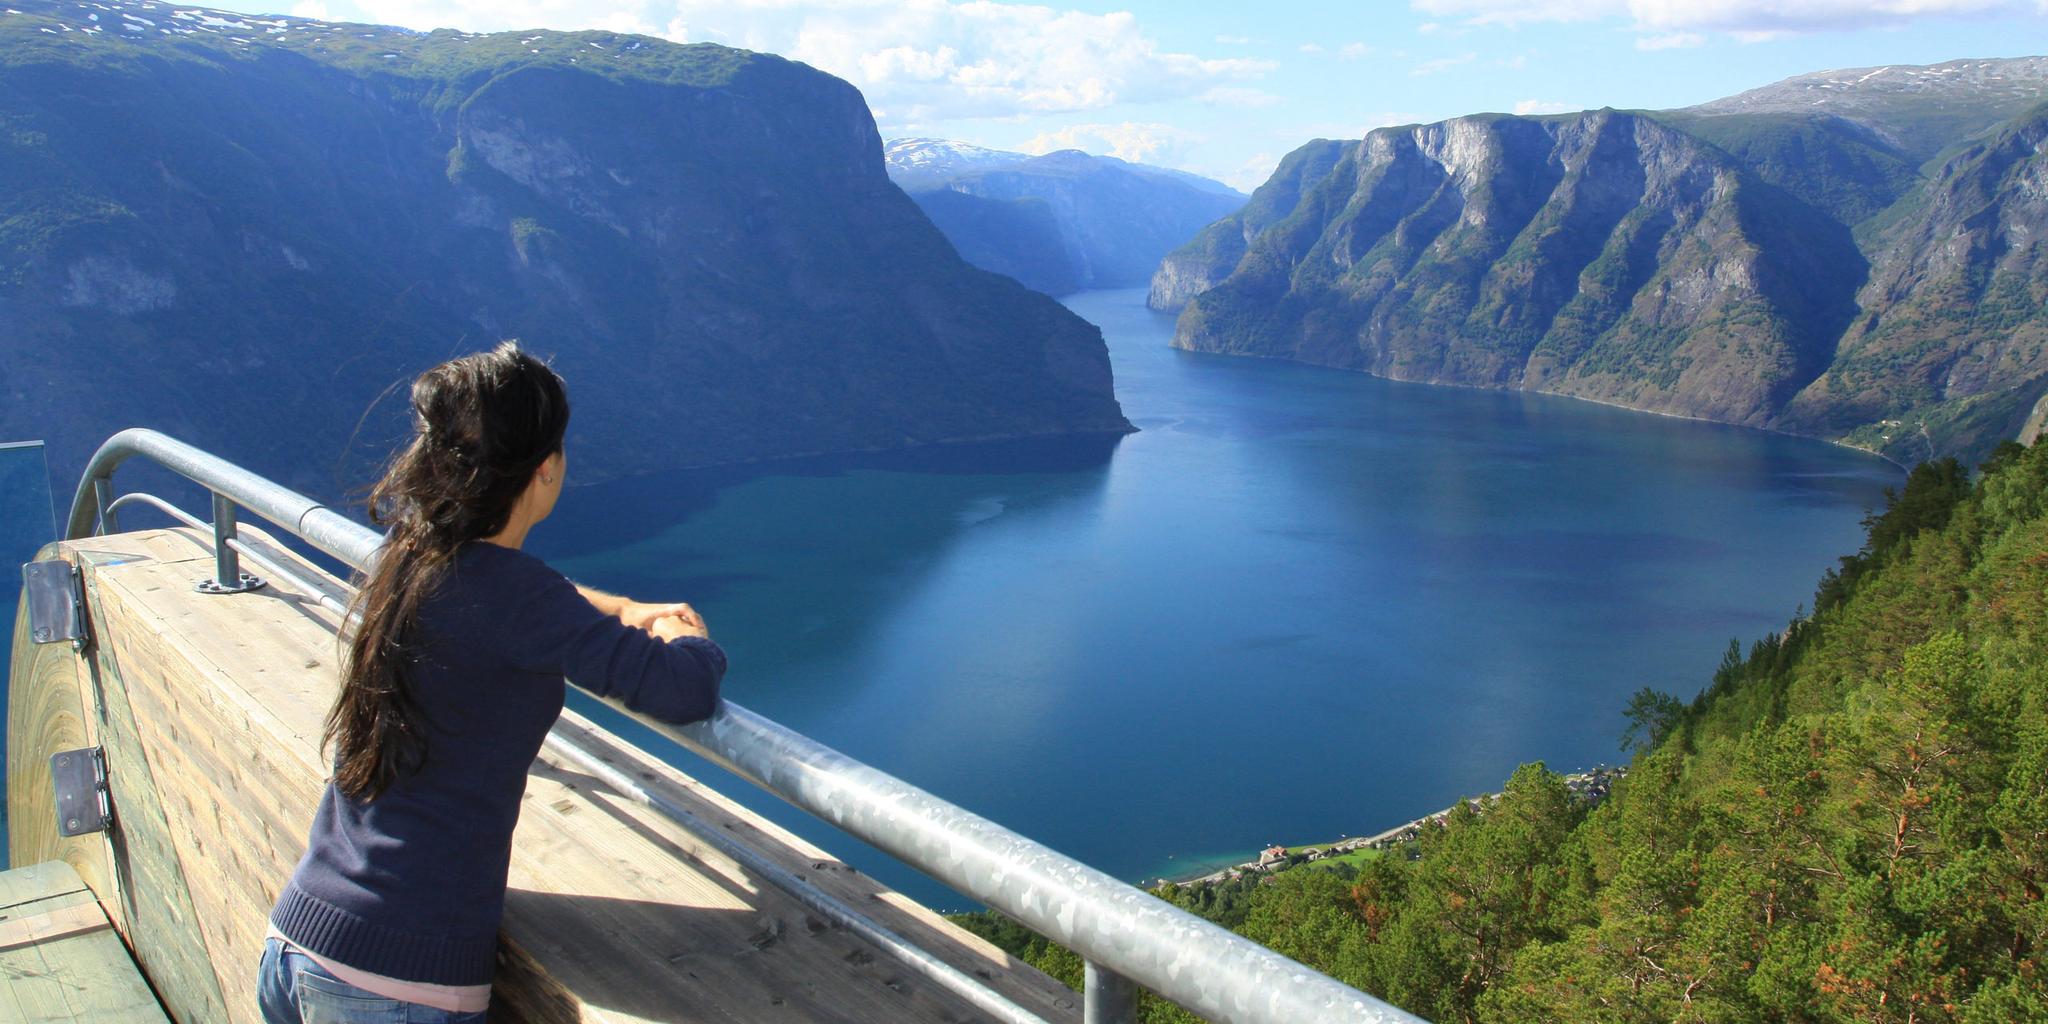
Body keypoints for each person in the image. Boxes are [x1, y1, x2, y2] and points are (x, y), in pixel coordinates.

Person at [256, 342, 726, 1023]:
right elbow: (681, 689)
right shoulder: (516, 599)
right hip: (396, 983)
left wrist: (622, 609)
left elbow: (524, 598)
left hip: (299, 940)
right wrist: (688, 638)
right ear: (546, 469)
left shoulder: (410, 558)